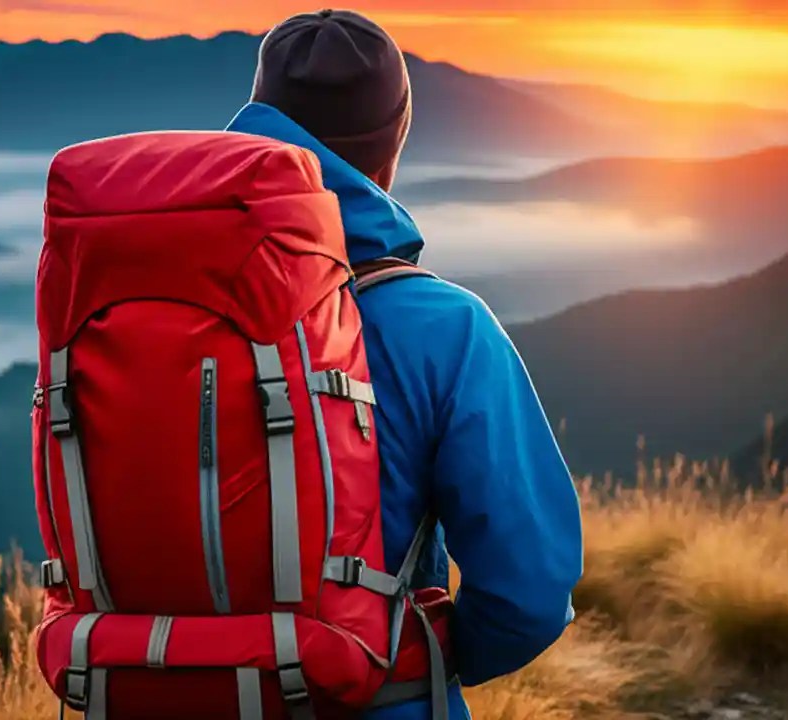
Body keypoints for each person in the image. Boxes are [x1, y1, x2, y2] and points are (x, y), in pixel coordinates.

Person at [226, 9, 584, 719]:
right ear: (393, 147)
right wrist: (424, 661)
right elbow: (529, 594)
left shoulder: (142, 299)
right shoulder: (447, 331)